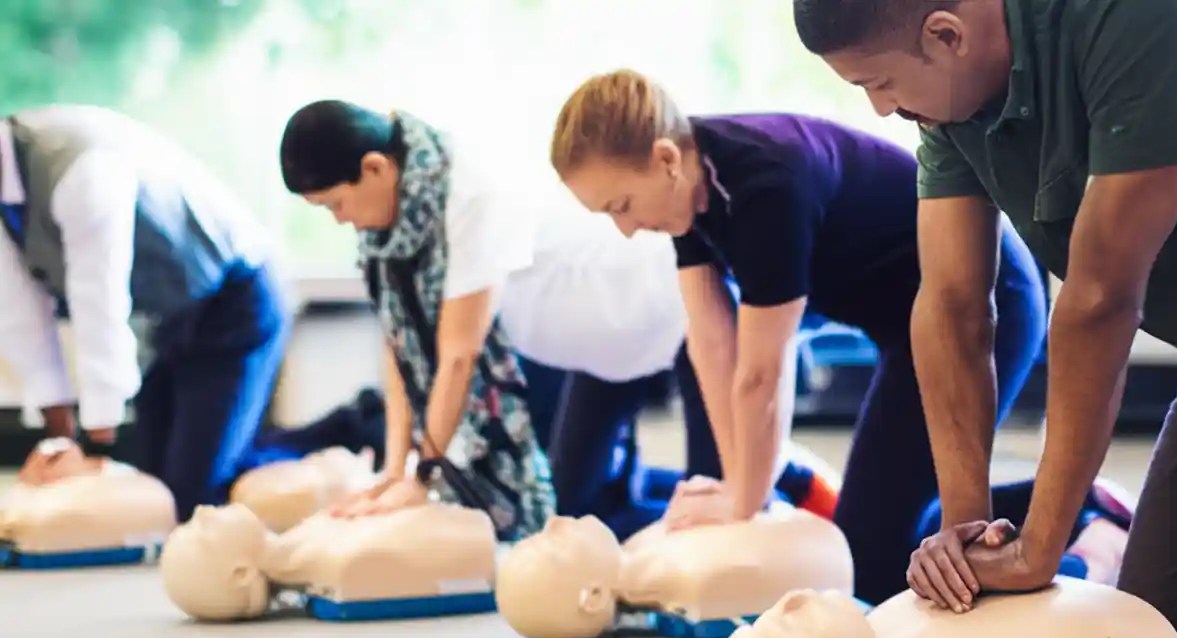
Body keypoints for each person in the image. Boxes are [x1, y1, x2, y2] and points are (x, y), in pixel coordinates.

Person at [792, 0, 1177, 638]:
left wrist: (1040, 547)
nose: (878, 109)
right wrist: (968, 538)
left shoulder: (1139, 16)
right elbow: (954, 307)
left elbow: (1102, 297)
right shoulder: (949, 109)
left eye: (879, 83)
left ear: (946, 35)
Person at [548, 69, 1131, 606]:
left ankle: (1089, 529)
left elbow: (761, 375)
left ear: (666, 158)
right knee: (880, 539)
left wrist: (746, 501)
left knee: (874, 569)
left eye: (622, 206)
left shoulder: (762, 185)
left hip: (987, 305)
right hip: (908, 330)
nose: (625, 230)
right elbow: (711, 345)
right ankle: (818, 489)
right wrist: (736, 489)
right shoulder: (691, 194)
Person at [277, 99, 555, 541]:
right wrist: (394, 471)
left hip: (535, 353)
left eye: (336, 204)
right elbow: (399, 345)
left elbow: (460, 354)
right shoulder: (385, 230)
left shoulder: (469, 192)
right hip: (475, 353)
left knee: (562, 509)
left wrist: (423, 476)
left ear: (374, 169)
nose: (339, 220)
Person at [0, 105, 289, 522]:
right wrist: (62, 444)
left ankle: (349, 431)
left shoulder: (81, 166)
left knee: (188, 498)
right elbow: (20, 319)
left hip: (237, 298)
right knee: (150, 477)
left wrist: (95, 455)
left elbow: (99, 309)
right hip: (174, 318)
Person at [500, 186, 840, 540]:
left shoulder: (473, 241)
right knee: (576, 507)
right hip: (603, 337)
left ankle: (791, 478)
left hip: (678, 304)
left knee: (719, 499)